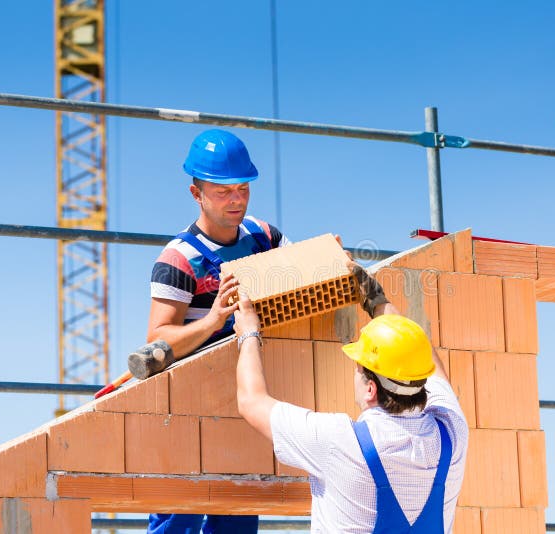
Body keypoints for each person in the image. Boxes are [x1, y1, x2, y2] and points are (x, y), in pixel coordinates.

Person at [233, 265, 469, 533]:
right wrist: (376, 300)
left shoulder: (338, 441)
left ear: (371, 389)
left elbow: (251, 401)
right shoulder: (452, 432)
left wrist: (248, 332)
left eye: (357, 367)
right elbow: (421, 358)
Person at [144, 129, 289, 534]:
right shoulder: (179, 259)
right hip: (189, 407)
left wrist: (328, 261)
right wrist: (212, 320)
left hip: (244, 402)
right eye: (223, 191)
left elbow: (301, 277)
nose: (237, 199)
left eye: (243, 188)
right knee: (179, 519)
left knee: (237, 515)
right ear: (197, 193)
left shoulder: (264, 238)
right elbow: (157, 339)